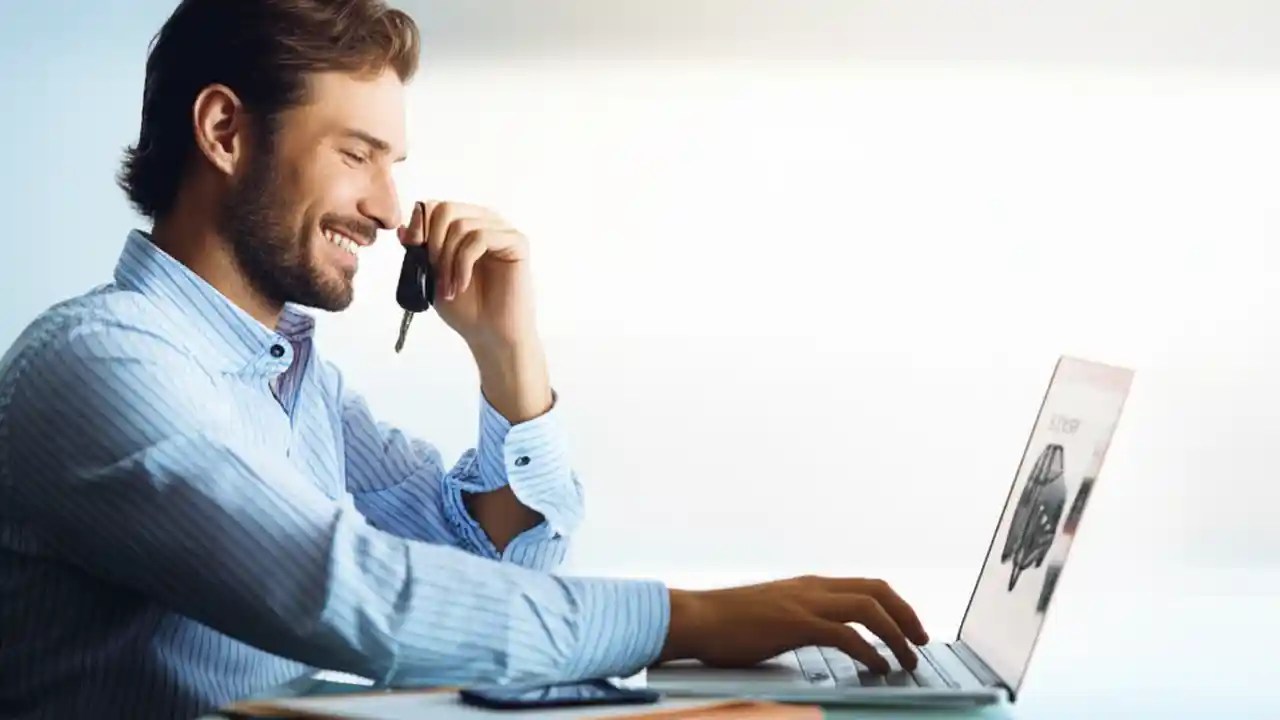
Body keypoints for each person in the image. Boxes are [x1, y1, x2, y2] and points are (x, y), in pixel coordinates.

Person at [0, 1, 929, 718]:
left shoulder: (288, 377)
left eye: (393, 163)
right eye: (358, 155)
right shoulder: (99, 369)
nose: (390, 209)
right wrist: (689, 619)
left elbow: (482, 565)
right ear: (226, 132)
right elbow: (360, 600)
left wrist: (508, 357)